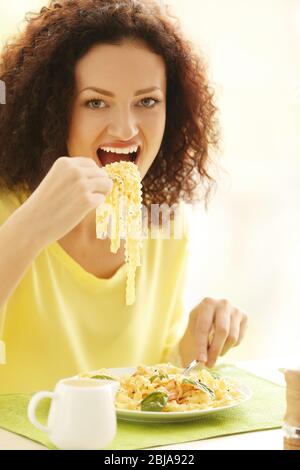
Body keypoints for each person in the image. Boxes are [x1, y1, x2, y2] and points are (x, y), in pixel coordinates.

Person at [0, 0, 247, 393]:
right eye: (96, 102)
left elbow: (145, 382)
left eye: (147, 101)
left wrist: (194, 345)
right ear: (52, 111)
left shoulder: (162, 222)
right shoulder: (7, 210)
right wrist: (28, 230)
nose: (125, 128)